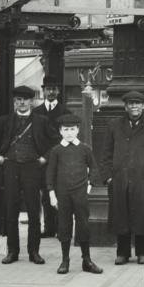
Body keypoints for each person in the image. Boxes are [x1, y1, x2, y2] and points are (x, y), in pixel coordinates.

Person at [0, 85, 57, 265]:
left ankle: (34, 252)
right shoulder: (5, 121)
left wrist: (43, 159)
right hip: (11, 168)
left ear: (32, 101)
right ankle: (13, 252)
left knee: (34, 211)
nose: (21, 103)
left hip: (33, 168)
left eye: (25, 99)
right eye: (18, 100)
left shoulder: (41, 121)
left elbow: (56, 142)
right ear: (14, 102)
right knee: (11, 211)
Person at [101, 90, 144, 265]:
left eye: (137, 103)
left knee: (141, 215)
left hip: (143, 179)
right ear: (125, 106)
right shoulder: (114, 125)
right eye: (131, 103)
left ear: (143, 106)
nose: (134, 106)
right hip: (119, 178)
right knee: (121, 214)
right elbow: (106, 153)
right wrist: (108, 177)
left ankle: (141, 252)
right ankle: (122, 253)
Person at [46, 113, 103, 275]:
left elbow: (94, 168)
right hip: (62, 194)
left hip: (80, 193)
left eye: (72, 129)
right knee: (64, 225)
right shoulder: (56, 151)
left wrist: (89, 187)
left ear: (78, 130)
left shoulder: (85, 149)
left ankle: (87, 260)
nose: (69, 132)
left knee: (83, 225)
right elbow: (50, 173)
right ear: (60, 131)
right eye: (66, 129)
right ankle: (65, 260)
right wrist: (51, 194)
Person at [32, 74, 67, 238]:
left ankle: (61, 228)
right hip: (42, 160)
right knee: (45, 194)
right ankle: (49, 228)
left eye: (54, 89)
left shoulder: (65, 111)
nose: (51, 92)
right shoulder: (36, 112)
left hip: (60, 158)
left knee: (59, 193)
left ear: (58, 91)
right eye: (48, 89)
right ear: (43, 91)